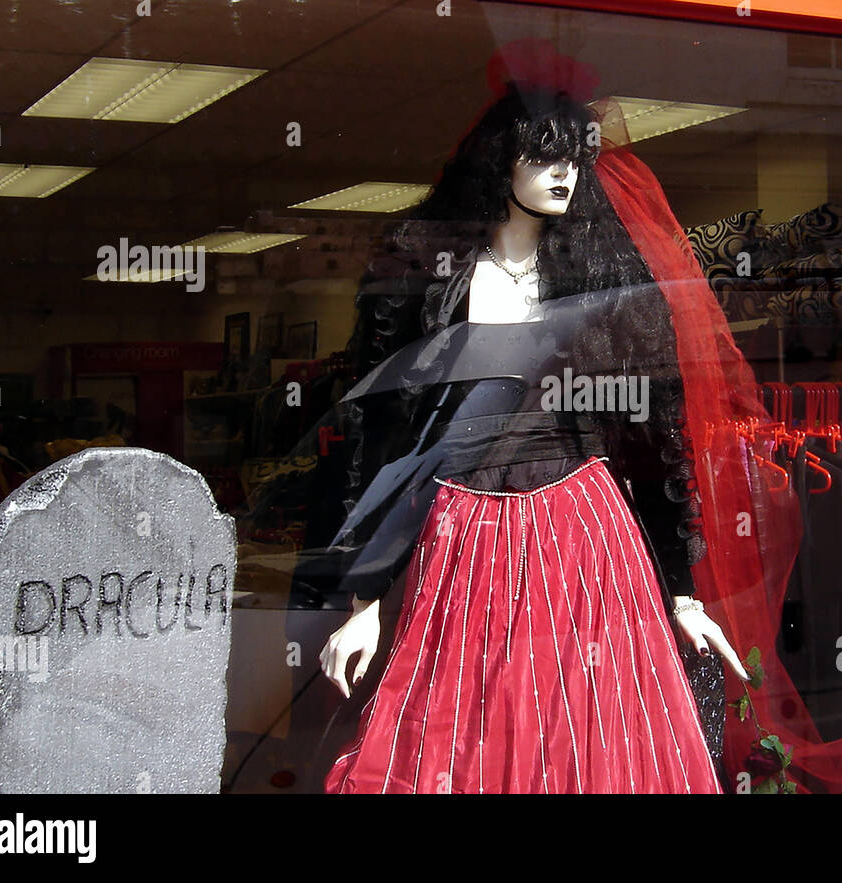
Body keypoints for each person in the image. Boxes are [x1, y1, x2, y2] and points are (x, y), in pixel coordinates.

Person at [315, 42, 755, 794]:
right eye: (542, 153)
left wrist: (682, 591)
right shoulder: (426, 276)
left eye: (574, 157)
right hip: (462, 535)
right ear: (499, 160)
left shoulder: (599, 279)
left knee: (591, 735)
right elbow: (381, 438)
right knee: (468, 737)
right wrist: (363, 598)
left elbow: (655, 439)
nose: (563, 172)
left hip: (583, 536)